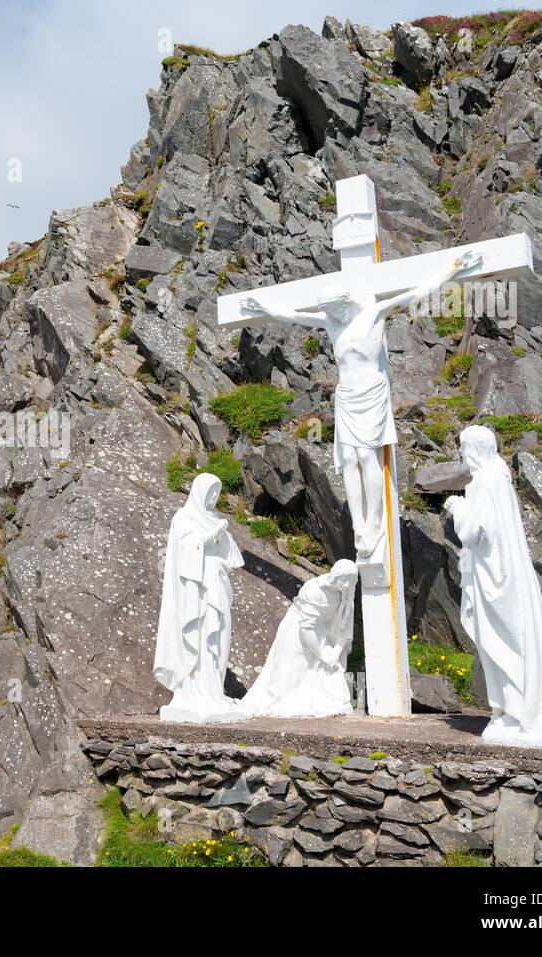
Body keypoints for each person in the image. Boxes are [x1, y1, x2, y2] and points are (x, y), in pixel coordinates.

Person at [244, 249, 483, 559]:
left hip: (370, 393)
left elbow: (416, 293)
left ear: (345, 304)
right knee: (351, 460)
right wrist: (263, 305)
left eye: (335, 310)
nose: (332, 316)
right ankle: (360, 526)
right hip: (346, 396)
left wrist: (451, 270)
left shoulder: (373, 314)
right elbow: (292, 316)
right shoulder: (332, 325)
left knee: (368, 458)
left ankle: (374, 521)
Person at [445, 426, 542, 748]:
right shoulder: (499, 478)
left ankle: (516, 713)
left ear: (473, 449)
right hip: (503, 574)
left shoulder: (484, 484)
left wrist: (456, 508)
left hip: (495, 581)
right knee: (511, 642)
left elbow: (474, 533)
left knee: (502, 644)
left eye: (463, 448)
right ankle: (510, 712)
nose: (462, 455)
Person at [153, 473, 244, 722]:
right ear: (198, 492)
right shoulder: (184, 518)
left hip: (217, 585)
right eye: (210, 492)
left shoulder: (214, 518)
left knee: (219, 637)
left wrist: (223, 535)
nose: (213, 498)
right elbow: (185, 554)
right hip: (196, 591)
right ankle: (196, 691)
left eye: (217, 492)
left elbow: (234, 558)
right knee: (202, 635)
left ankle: (215, 689)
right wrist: (212, 534)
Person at [230, 561, 358, 718]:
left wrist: (334, 653)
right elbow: (307, 629)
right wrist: (324, 655)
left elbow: (344, 631)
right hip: (299, 631)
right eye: (344, 579)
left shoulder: (346, 596)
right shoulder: (315, 591)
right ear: (335, 576)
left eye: (350, 581)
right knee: (291, 671)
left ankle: (321, 700)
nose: (347, 584)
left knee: (330, 671)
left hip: (324, 634)